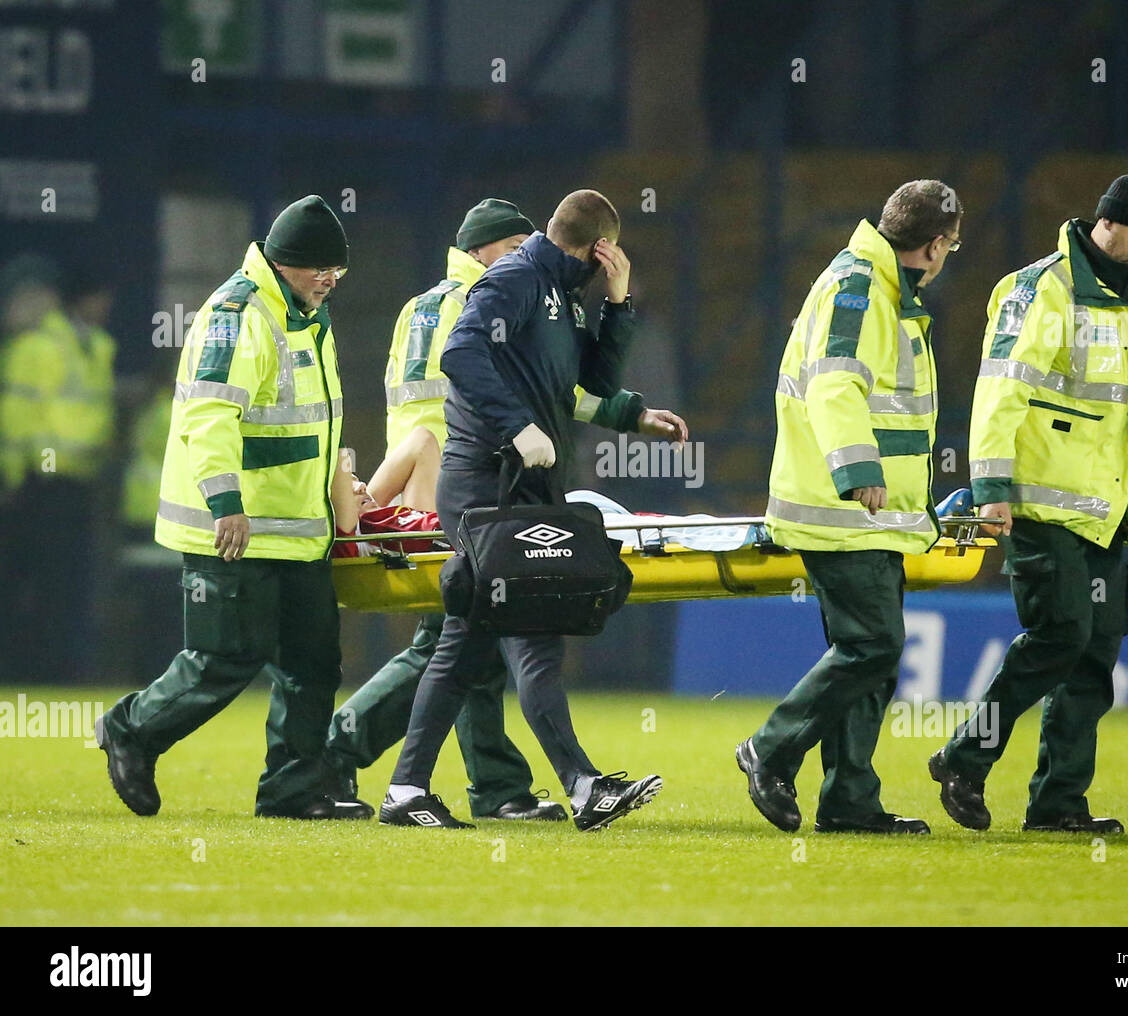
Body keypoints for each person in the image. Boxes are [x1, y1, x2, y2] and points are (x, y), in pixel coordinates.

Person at [323, 198, 686, 822]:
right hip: (485, 484)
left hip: (522, 484)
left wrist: (619, 305)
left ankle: (415, 789)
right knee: (520, 636)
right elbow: (460, 354)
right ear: (598, 247)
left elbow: (592, 384)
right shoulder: (516, 280)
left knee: (469, 642)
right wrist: (518, 427)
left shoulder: (561, 294)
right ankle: (572, 784)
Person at [930, 172, 1128, 834]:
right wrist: (992, 489)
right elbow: (999, 396)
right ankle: (966, 756)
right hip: (1040, 507)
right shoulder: (1039, 291)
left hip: (1108, 514)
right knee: (1062, 636)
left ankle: (1057, 806)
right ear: (1108, 221)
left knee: (1093, 659)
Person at [95, 195, 372, 820]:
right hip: (235, 529)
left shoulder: (304, 314)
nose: (331, 281)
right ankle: (132, 729)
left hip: (297, 532)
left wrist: (341, 489)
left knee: (312, 665)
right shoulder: (236, 313)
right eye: (320, 268)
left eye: (339, 270)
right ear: (283, 263)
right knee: (225, 659)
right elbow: (210, 413)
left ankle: (292, 793)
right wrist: (226, 503)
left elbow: (314, 427)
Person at [734, 180, 961, 835]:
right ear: (935, 244)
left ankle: (850, 800)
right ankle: (770, 750)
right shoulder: (862, 289)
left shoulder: (878, 288)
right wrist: (857, 469)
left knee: (873, 654)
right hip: (842, 507)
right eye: (950, 242)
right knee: (874, 644)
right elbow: (835, 383)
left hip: (872, 513)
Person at [0, 257, 117, 683]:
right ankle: (23, 672)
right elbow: (17, 417)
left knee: (67, 583)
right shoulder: (38, 347)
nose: (107, 304)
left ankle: (60, 672)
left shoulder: (99, 346)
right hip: (38, 484)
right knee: (29, 580)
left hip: (79, 483)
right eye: (101, 296)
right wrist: (13, 477)